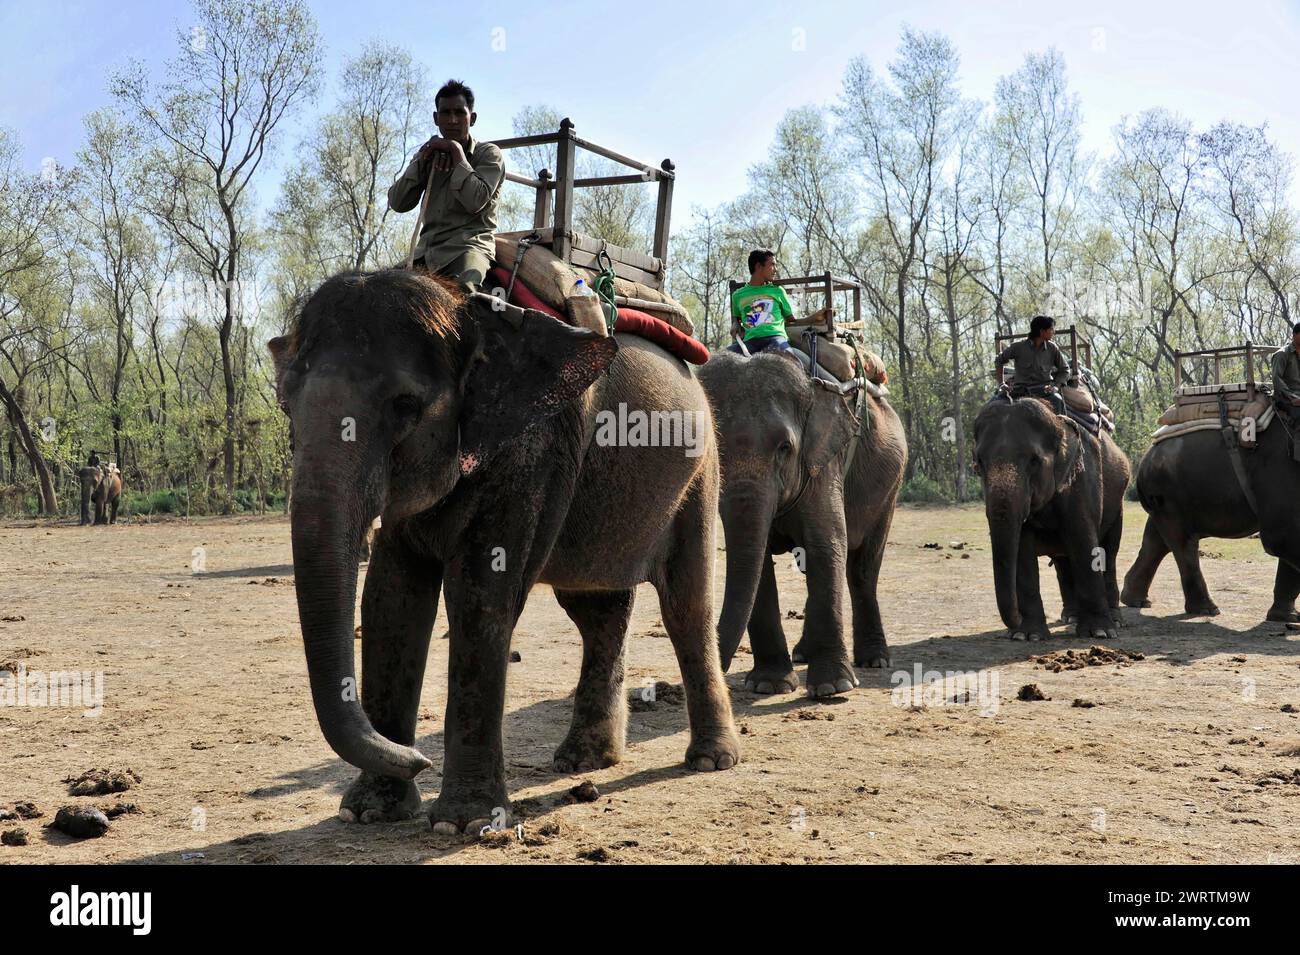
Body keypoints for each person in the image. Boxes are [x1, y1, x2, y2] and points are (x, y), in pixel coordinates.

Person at [387, 79, 505, 291]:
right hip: (426, 252)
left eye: (460, 113)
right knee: (382, 293)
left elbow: (474, 201)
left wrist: (457, 154)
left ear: (472, 118)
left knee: (465, 293)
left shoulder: (488, 155)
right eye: (445, 113)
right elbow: (398, 202)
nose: (452, 120)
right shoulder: (428, 155)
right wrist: (420, 162)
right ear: (436, 118)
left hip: (468, 248)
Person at [994, 315, 1070, 413]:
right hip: (1019, 392)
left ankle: (1062, 428)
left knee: (1058, 401)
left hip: (1044, 392)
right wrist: (1001, 384)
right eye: (1051, 329)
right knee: (994, 404)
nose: (1053, 332)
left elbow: (1064, 370)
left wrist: (1056, 386)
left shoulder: (1052, 348)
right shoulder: (1018, 347)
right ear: (1042, 331)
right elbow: (999, 361)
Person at [727, 250, 795, 355]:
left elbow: (791, 319)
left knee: (789, 358)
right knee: (722, 358)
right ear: (758, 266)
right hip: (750, 342)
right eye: (772, 265)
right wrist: (735, 323)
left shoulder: (778, 291)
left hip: (775, 339)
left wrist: (814, 318)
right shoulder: (737, 295)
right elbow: (737, 319)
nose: (775, 269)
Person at [1271, 323, 1300, 426]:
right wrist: (1292, 397)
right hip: (1285, 397)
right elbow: (1276, 379)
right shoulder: (1282, 354)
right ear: (1294, 335)